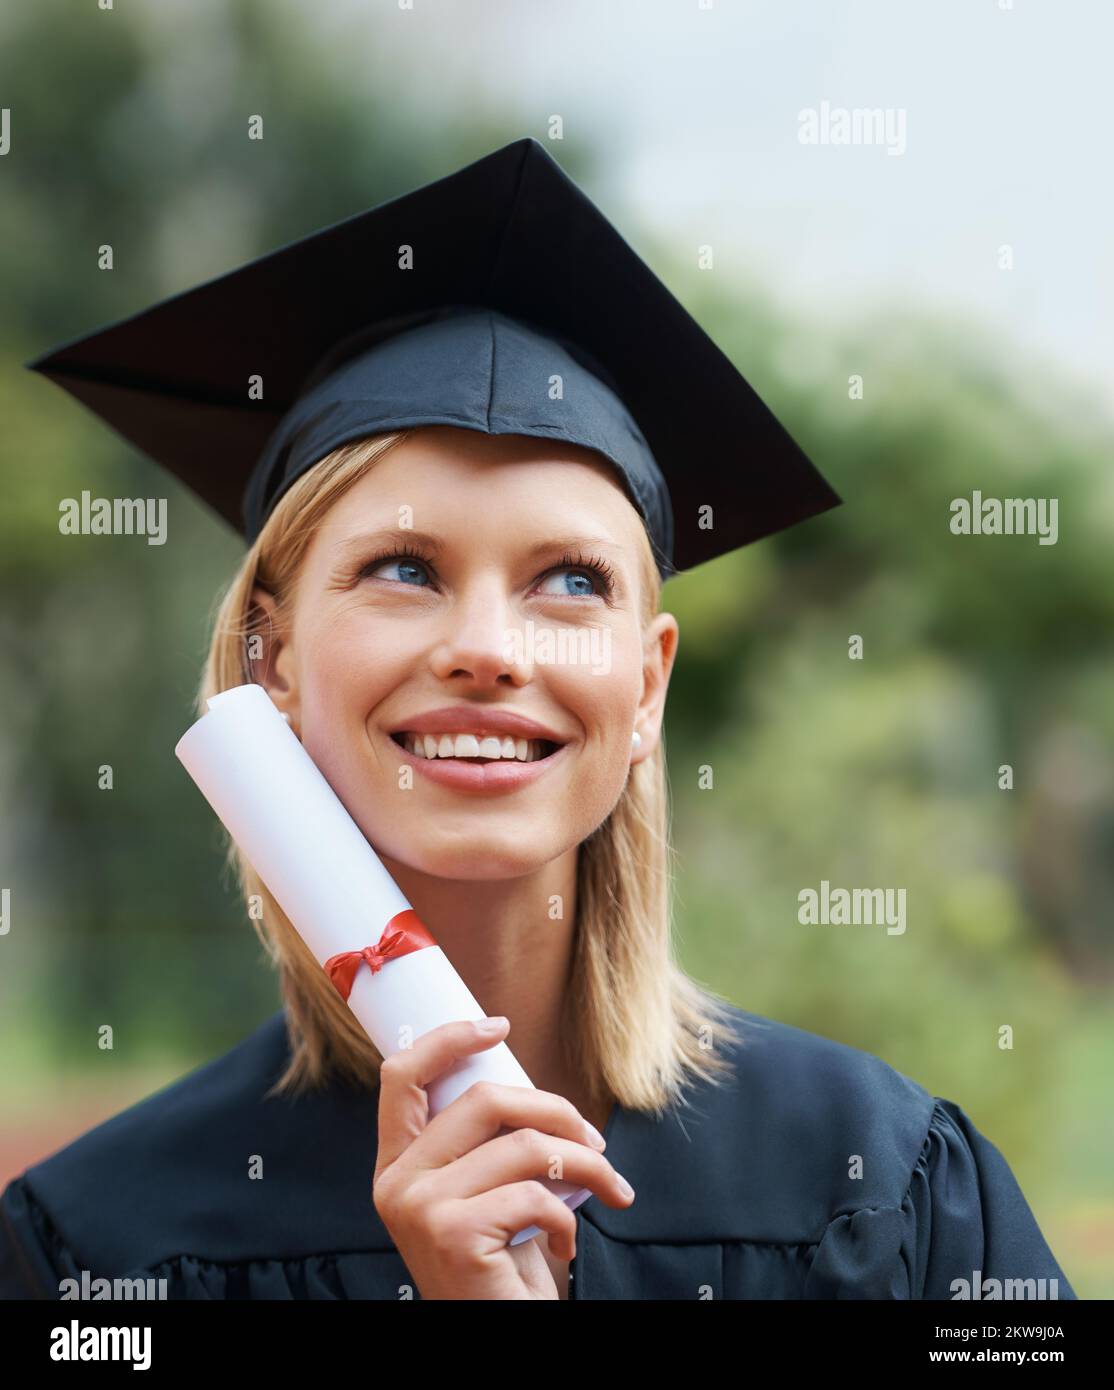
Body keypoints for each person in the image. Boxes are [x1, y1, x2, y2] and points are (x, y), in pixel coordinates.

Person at [0, 139, 1074, 1301]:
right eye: (404, 566)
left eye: (569, 580)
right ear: (275, 658)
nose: (489, 650)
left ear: (648, 686)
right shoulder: (99, 1257)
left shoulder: (891, 1193)